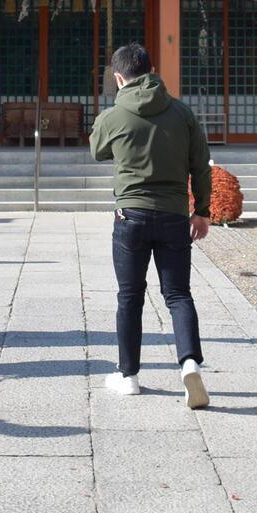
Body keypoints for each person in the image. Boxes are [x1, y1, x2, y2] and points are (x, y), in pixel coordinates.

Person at [89, 42, 211, 407]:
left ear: (118, 77)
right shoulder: (182, 112)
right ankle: (189, 362)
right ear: (152, 69)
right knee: (177, 294)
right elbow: (200, 164)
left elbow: (97, 149)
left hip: (131, 216)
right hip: (174, 214)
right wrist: (202, 210)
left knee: (130, 295)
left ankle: (128, 375)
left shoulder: (114, 116)